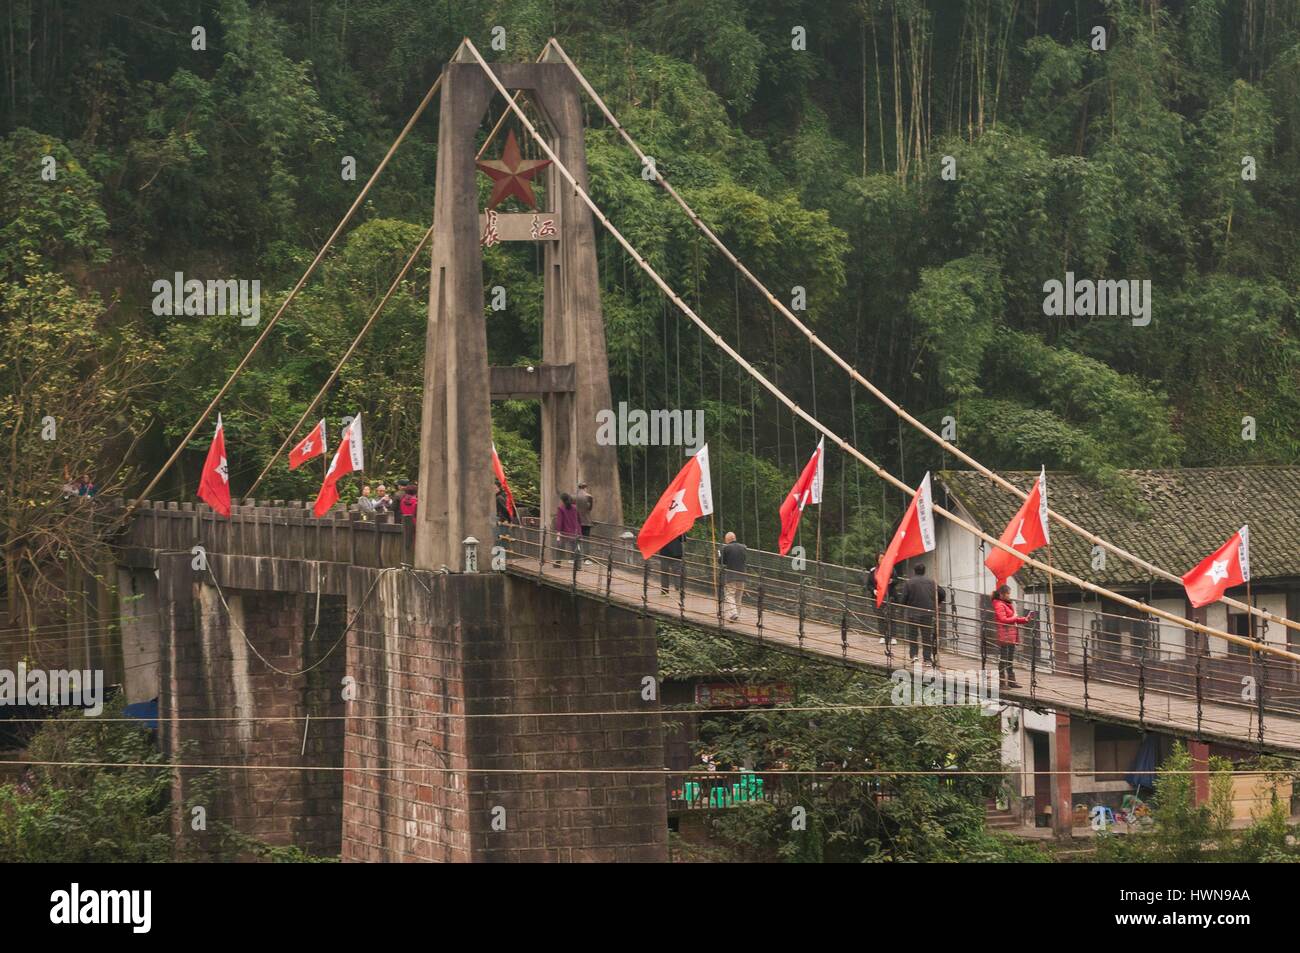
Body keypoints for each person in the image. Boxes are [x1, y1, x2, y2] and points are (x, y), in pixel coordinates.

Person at [992, 584, 1036, 689]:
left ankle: (1011, 681)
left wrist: (1026, 619)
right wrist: (1015, 618)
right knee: (1004, 659)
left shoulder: (1005, 604)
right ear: (1002, 594)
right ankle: (1002, 683)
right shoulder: (999, 604)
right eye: (1007, 593)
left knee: (1009, 659)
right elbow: (1003, 619)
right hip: (1005, 635)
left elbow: (1012, 618)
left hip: (1010, 635)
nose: (1009, 595)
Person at [901, 563, 945, 665]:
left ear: (914, 571)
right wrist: (936, 603)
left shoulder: (909, 583)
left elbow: (903, 600)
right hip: (927, 613)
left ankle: (914, 656)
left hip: (912, 612)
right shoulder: (931, 582)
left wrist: (906, 604)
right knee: (926, 635)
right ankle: (927, 659)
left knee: (913, 635)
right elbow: (942, 593)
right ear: (924, 571)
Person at [718, 531, 748, 622]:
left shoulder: (726, 548)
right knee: (738, 596)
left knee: (729, 595)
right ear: (734, 538)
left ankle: (734, 614)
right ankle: (736, 615)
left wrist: (719, 554)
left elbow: (722, 562)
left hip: (731, 575)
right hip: (742, 575)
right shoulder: (744, 547)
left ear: (727, 539)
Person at [552, 492, 582, 566]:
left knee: (560, 547)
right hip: (576, 531)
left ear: (562, 500)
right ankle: (578, 565)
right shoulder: (575, 507)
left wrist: (558, 532)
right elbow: (579, 519)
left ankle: (557, 563)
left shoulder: (561, 508)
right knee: (576, 548)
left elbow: (559, 521)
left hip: (565, 532)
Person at [574, 480, 595, 564]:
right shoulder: (589, 497)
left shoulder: (574, 497)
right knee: (586, 540)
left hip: (576, 521)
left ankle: (575, 558)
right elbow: (590, 509)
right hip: (586, 521)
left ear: (579, 488)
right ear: (585, 488)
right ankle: (586, 559)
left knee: (576, 539)